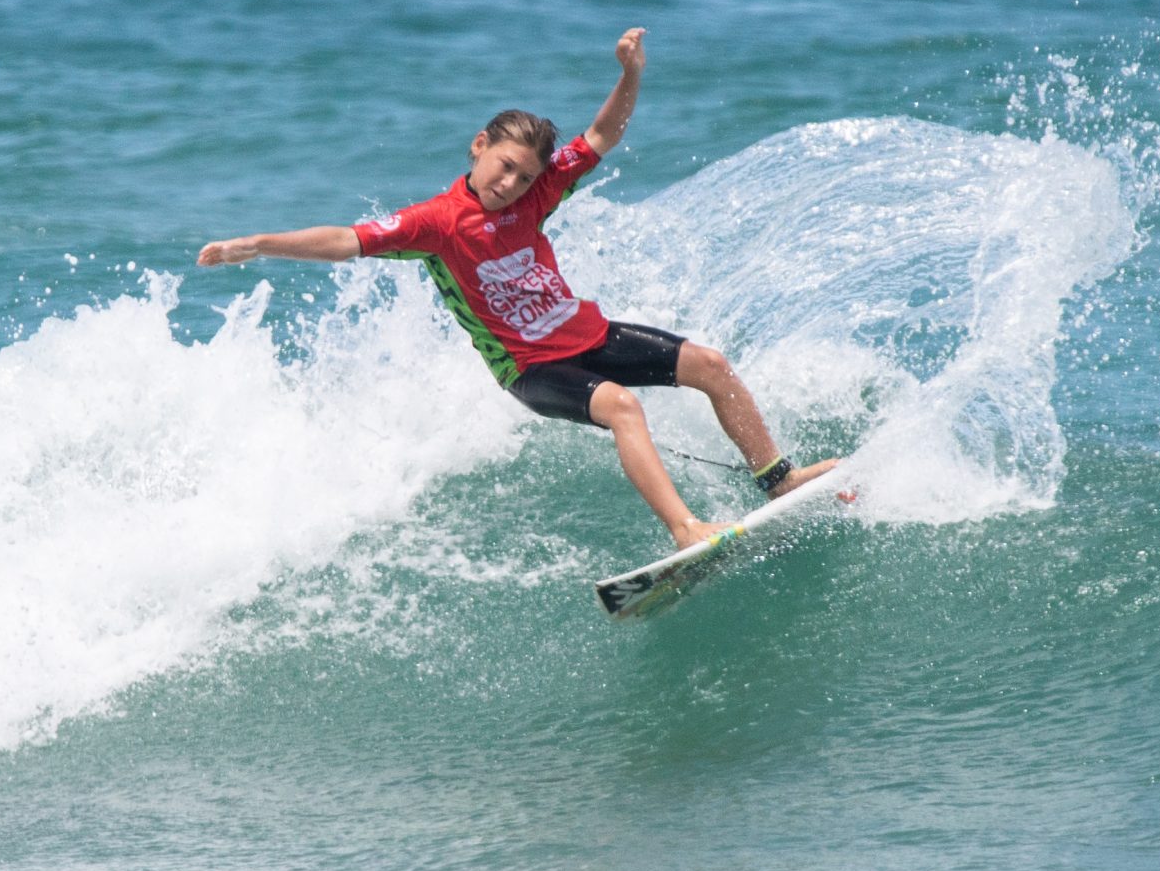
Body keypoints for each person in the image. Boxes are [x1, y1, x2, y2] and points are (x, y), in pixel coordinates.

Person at [197, 28, 838, 549]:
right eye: (505, 166)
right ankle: (684, 529)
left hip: (589, 334)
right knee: (621, 407)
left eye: (526, 175)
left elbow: (602, 136)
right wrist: (255, 245)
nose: (512, 183)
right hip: (530, 367)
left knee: (710, 364)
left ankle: (778, 480)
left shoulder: (537, 192)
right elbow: (344, 240)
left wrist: (631, 73)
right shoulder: (436, 224)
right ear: (480, 147)